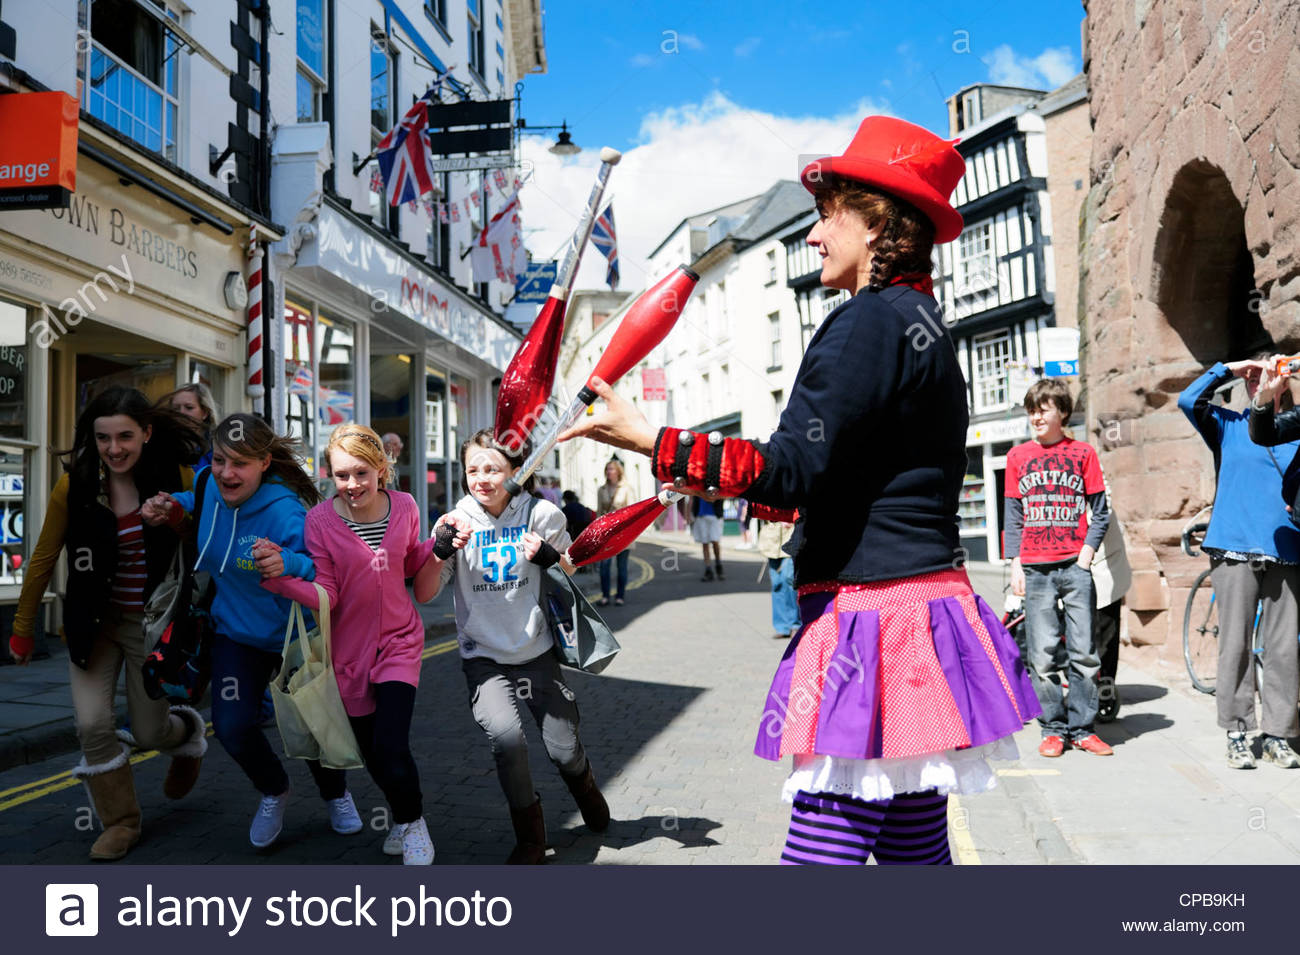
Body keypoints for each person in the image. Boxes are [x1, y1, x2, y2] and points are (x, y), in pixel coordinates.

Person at [560, 115, 1038, 865]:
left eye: (827, 213)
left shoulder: (866, 323)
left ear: (878, 222)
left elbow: (790, 468)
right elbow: (836, 477)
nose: (815, 235)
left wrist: (652, 440)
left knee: (820, 861)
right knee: (916, 851)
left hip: (869, 619)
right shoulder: (924, 325)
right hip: (922, 609)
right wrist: (690, 471)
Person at [143, 414, 362, 848]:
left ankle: (336, 794)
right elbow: (199, 498)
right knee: (231, 726)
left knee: (311, 726)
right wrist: (173, 504)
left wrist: (288, 563)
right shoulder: (208, 484)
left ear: (264, 462)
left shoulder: (285, 511)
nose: (227, 472)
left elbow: (323, 570)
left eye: (240, 463)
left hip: (292, 636)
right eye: (221, 459)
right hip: (236, 635)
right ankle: (274, 790)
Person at [8, 387, 209, 860]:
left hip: (151, 626)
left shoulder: (176, 475)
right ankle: (121, 822)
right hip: (92, 625)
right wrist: (22, 626)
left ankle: (187, 737)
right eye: (103, 438)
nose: (114, 448)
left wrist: (178, 517)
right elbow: (42, 558)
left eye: (125, 436)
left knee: (148, 733)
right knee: (93, 725)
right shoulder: (73, 485)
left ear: (147, 432)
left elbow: (201, 546)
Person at [261, 424, 457, 863]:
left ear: (381, 469)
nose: (352, 485)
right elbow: (328, 592)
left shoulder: (405, 506)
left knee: (391, 744)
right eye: (342, 475)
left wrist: (437, 546)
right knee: (371, 752)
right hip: (348, 654)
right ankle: (403, 818)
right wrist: (282, 583)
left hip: (401, 644)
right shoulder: (320, 521)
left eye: (362, 473)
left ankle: (414, 825)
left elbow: (408, 563)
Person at [429, 429, 610, 864]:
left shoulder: (543, 515)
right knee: (507, 741)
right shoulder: (454, 521)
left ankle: (583, 785)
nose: (481, 478)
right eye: (472, 469)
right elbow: (426, 590)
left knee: (563, 748)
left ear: (517, 472)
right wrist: (436, 553)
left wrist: (551, 558)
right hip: (483, 657)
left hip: (536, 652)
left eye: (493, 468)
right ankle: (531, 837)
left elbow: (571, 568)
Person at [1195, 356, 1300, 767]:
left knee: (1283, 647)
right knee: (1234, 644)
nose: (1259, 379)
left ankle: (1279, 733)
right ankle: (1238, 732)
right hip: (1234, 547)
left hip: (1288, 548)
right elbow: (1189, 402)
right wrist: (1229, 369)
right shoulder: (1229, 425)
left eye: (1267, 376)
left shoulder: (1294, 426)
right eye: (1252, 377)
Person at [1006, 379, 1112, 758]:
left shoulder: (1083, 453)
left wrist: (1085, 555)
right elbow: (1014, 514)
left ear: (1062, 413)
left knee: (1084, 652)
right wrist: (1014, 564)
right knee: (1042, 655)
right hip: (1035, 571)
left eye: (1043, 408)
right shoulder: (1018, 458)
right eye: (1031, 409)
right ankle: (1053, 728)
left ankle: (1083, 729)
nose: (1035, 416)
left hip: (1074, 567)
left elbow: (1101, 511)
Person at [595, 457, 633, 606]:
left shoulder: (627, 488)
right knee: (604, 566)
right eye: (607, 469)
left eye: (611, 469)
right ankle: (605, 596)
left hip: (623, 532)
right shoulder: (601, 489)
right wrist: (598, 532)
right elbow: (599, 512)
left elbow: (631, 510)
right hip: (606, 534)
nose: (608, 472)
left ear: (618, 472)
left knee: (621, 567)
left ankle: (620, 596)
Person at [757, 515, 800, 639]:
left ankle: (795, 624)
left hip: (790, 538)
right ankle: (782, 626)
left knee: (789, 580)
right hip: (771, 541)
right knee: (777, 584)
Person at [160, 383, 219, 470]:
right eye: (176, 408)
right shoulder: (162, 445)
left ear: (205, 412)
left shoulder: (219, 446)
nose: (181, 413)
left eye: (189, 407)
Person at [689, 496, 725, 581]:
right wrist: (691, 514)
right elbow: (692, 498)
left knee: (715, 541)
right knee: (705, 543)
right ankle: (708, 569)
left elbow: (724, 496)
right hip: (701, 516)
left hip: (714, 516)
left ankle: (718, 564)